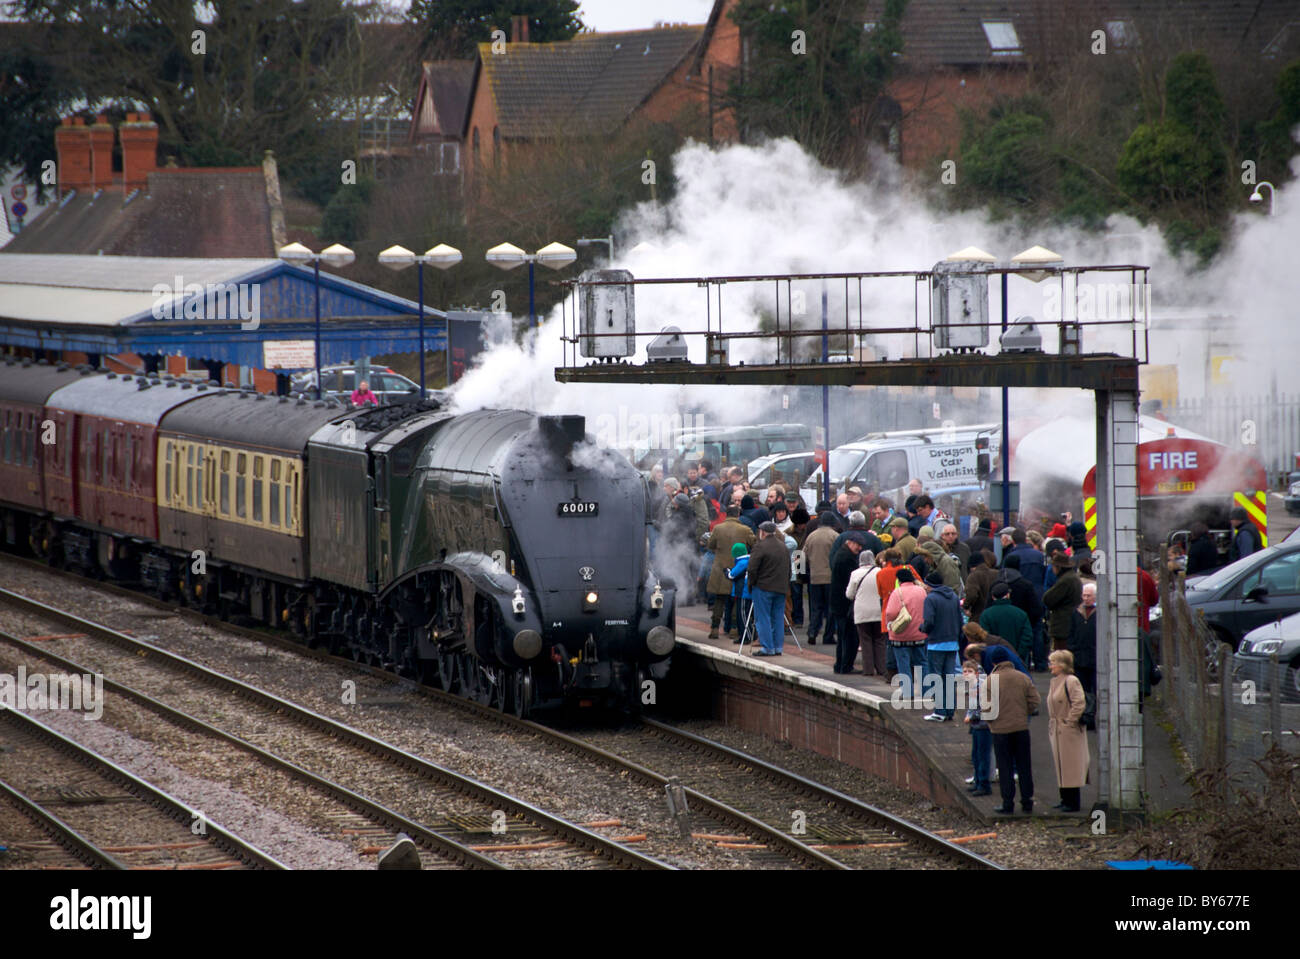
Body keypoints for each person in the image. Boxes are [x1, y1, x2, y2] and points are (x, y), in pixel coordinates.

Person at [986, 645, 1040, 814]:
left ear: (994, 661)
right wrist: (1024, 713)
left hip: (1000, 730)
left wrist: (991, 723)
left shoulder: (990, 680)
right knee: (1024, 765)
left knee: (1005, 767)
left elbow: (987, 709)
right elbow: (1035, 700)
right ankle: (1027, 801)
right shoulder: (1022, 677)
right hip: (1021, 728)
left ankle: (1007, 803)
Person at [1046, 649, 1089, 812]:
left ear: (1062, 665)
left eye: (1053, 662)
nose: (1050, 666)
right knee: (1061, 765)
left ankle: (1072, 802)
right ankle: (1065, 799)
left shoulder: (1071, 681)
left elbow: (1079, 702)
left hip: (1068, 731)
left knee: (1071, 766)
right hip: (1057, 730)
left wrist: (1070, 722)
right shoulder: (1055, 681)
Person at [704, 506, 754, 638]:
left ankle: (714, 628)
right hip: (738, 569)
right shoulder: (745, 530)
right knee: (735, 599)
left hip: (720, 568)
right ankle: (733, 629)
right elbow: (754, 544)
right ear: (738, 514)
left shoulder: (718, 528)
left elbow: (710, 545)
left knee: (719, 600)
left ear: (726, 514)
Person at [921, 570, 962, 721]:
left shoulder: (930, 599)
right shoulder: (953, 597)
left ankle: (939, 711)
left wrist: (923, 628)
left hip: (936, 644)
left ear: (930, 585)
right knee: (949, 678)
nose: (924, 587)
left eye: (926, 584)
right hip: (952, 644)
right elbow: (960, 620)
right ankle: (949, 710)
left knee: (936, 678)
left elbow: (929, 621)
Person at [883, 567, 928, 703]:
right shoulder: (921, 591)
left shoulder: (898, 593)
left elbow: (890, 612)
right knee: (922, 662)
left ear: (899, 579)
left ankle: (908, 692)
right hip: (919, 633)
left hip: (901, 635)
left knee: (903, 664)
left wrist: (889, 622)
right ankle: (926, 690)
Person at [747, 521, 791, 656]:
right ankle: (778, 647)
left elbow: (752, 569)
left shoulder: (760, 546)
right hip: (781, 588)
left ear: (762, 532)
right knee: (778, 618)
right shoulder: (783, 547)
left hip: (763, 587)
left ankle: (767, 647)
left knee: (763, 617)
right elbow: (789, 569)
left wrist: (751, 584)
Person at [830, 534, 868, 673]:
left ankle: (840, 665)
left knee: (843, 636)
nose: (860, 548)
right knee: (849, 637)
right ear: (850, 543)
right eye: (858, 545)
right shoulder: (846, 558)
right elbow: (850, 582)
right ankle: (845, 666)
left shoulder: (842, 554)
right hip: (844, 605)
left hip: (838, 604)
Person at [803, 512, 840, 646]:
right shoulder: (835, 536)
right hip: (830, 578)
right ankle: (828, 636)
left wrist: (800, 575)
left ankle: (812, 632)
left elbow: (801, 556)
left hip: (814, 578)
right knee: (830, 608)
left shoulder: (811, 536)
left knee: (816, 608)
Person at [847, 549, 885, 676]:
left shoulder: (855, 574)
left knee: (865, 640)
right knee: (879, 640)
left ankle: (868, 669)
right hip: (878, 611)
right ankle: (881, 668)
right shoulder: (880, 572)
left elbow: (849, 594)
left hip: (862, 612)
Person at [980, 582, 1033, 665]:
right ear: (1008, 595)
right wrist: (1019, 655)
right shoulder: (1021, 614)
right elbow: (1027, 637)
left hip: (994, 660)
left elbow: (985, 637)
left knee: (995, 678)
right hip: (1018, 660)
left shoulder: (986, 615)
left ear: (993, 597)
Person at [1042, 552, 1083, 652]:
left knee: (1061, 655)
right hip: (1069, 623)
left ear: (1059, 567)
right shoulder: (1073, 577)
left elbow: (1048, 599)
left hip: (1063, 625)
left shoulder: (1065, 581)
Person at [963, 659, 992, 796]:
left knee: (982, 756)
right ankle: (978, 781)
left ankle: (983, 785)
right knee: (976, 756)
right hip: (977, 725)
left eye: (970, 671)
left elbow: (984, 707)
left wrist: (972, 716)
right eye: (964, 671)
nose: (966, 674)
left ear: (976, 673)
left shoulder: (980, 686)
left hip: (984, 726)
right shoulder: (973, 686)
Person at [1069, 582, 1098, 695]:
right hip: (1079, 656)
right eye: (1084, 595)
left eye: (1089, 595)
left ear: (1095, 596)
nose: (1086, 598)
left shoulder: (1099, 613)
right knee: (1081, 687)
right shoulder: (1076, 613)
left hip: (1094, 656)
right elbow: (1071, 632)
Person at [788, 506, 810, 626]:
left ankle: (798, 618)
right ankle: (795, 618)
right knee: (795, 591)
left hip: (803, 560)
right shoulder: (788, 533)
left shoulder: (808, 531)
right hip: (795, 560)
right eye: (801, 524)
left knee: (798, 591)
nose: (803, 526)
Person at [726, 542, 752, 643]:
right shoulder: (748, 560)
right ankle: (743, 636)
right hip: (745, 591)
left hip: (743, 592)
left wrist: (727, 571)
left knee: (743, 615)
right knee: (742, 615)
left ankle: (747, 637)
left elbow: (731, 575)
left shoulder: (742, 562)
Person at [963, 549, 999, 621]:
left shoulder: (973, 576)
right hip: (996, 615)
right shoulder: (997, 573)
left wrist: (966, 606)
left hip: (979, 615)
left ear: (972, 566)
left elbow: (972, 594)